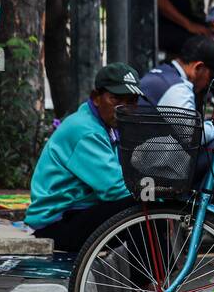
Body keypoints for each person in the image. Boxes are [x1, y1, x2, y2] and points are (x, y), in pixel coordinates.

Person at [25, 64, 143, 252]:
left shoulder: (105, 124)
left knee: (148, 204)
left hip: (78, 213)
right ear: (96, 98)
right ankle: (150, 281)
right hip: (55, 224)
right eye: (116, 99)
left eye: (131, 101)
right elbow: (114, 188)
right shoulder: (86, 131)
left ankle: (160, 277)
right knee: (141, 206)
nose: (124, 108)